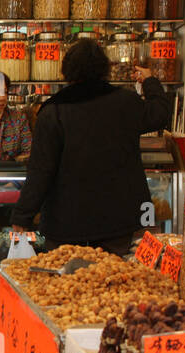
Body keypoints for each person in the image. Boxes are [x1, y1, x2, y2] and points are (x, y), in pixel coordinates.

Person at [11, 38, 173, 255]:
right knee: (113, 281)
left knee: (69, 284)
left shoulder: (53, 111)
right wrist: (150, 81)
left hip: (67, 222)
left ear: (66, 71)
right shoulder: (126, 102)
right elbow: (160, 114)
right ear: (104, 69)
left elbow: (41, 170)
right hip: (118, 220)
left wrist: (23, 216)